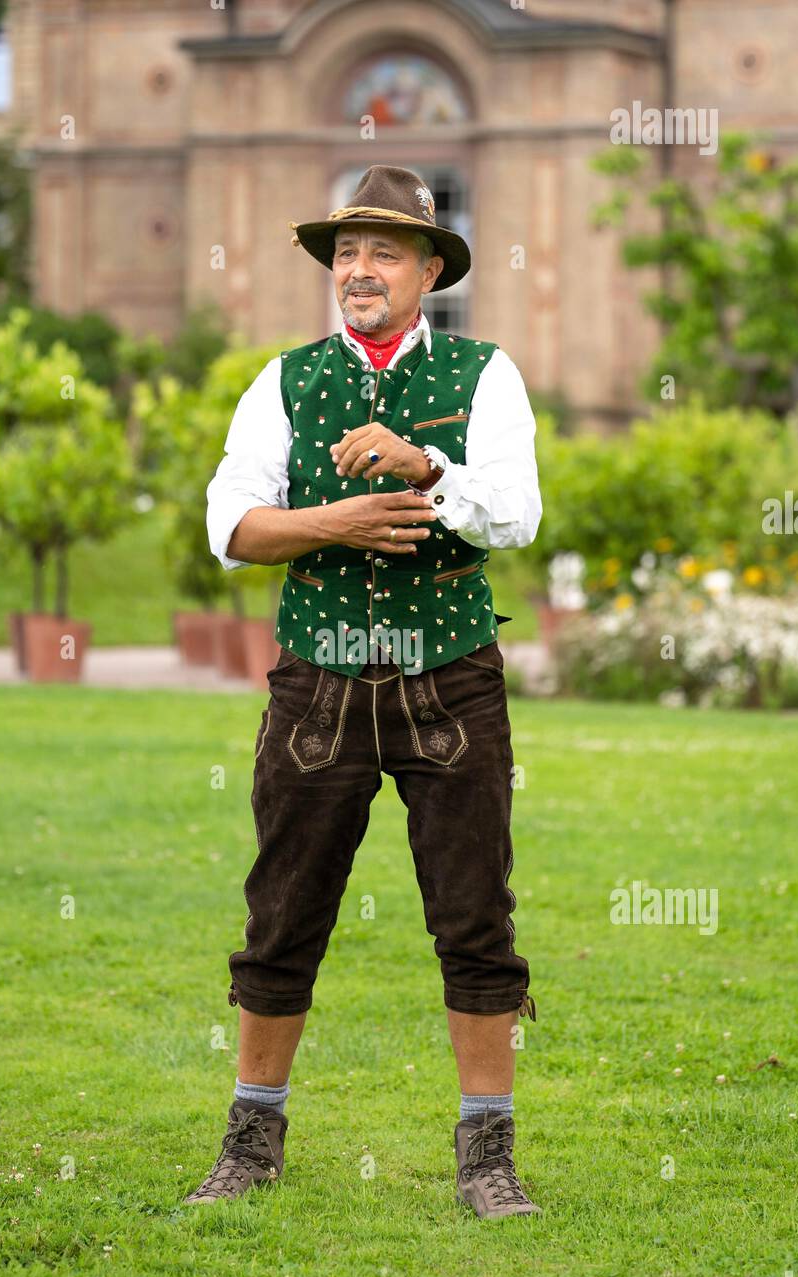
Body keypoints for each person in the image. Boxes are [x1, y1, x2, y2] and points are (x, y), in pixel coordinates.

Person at [192, 165, 544, 1219]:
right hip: (318, 683)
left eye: (384, 250)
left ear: (431, 269)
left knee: (476, 918)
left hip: (452, 679)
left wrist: (424, 464)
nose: (358, 268)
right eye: (345, 250)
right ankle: (251, 1142)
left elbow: (518, 516)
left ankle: (488, 1158)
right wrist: (335, 522)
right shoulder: (284, 381)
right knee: (282, 915)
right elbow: (231, 526)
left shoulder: (487, 375)